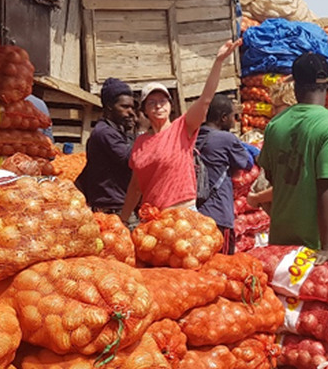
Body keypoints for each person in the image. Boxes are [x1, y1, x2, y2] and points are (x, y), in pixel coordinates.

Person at [118, 39, 243, 220]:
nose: (158, 106)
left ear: (170, 105)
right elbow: (135, 187)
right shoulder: (140, 143)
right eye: (152, 103)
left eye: (163, 101)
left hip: (184, 215)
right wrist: (123, 219)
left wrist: (218, 62)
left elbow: (206, 99)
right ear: (144, 110)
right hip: (153, 220)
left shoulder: (182, 128)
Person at [258, 52, 328, 263]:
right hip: (322, 243)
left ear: (296, 85)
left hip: (283, 240)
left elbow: (273, 177)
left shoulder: (275, 125)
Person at [195, 95, 255, 254]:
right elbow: (247, 163)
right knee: (224, 266)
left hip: (196, 214)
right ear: (223, 118)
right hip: (219, 215)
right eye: (234, 116)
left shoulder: (195, 136)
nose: (235, 121)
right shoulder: (226, 138)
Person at [75, 77, 137, 215]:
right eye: (125, 107)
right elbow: (133, 160)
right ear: (109, 106)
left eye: (132, 107)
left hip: (120, 206)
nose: (131, 112)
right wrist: (143, 131)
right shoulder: (105, 133)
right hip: (113, 210)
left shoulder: (117, 131)